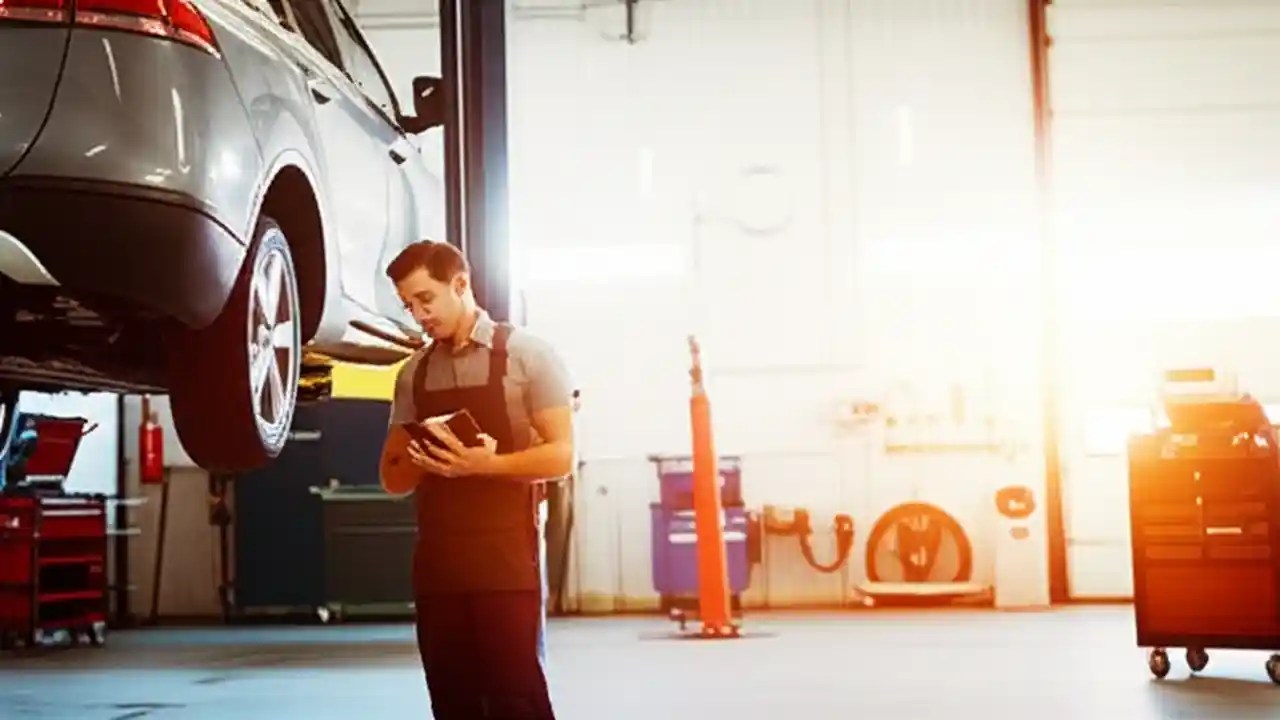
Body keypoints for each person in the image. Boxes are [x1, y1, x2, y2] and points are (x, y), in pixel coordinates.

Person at [378, 239, 574, 720]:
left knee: (515, 695)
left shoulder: (529, 356)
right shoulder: (413, 375)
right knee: (452, 699)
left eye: (426, 299)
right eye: (409, 306)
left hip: (506, 560)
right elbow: (392, 477)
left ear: (460, 284)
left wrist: (484, 465)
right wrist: (429, 457)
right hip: (439, 563)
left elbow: (562, 455)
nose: (419, 315)